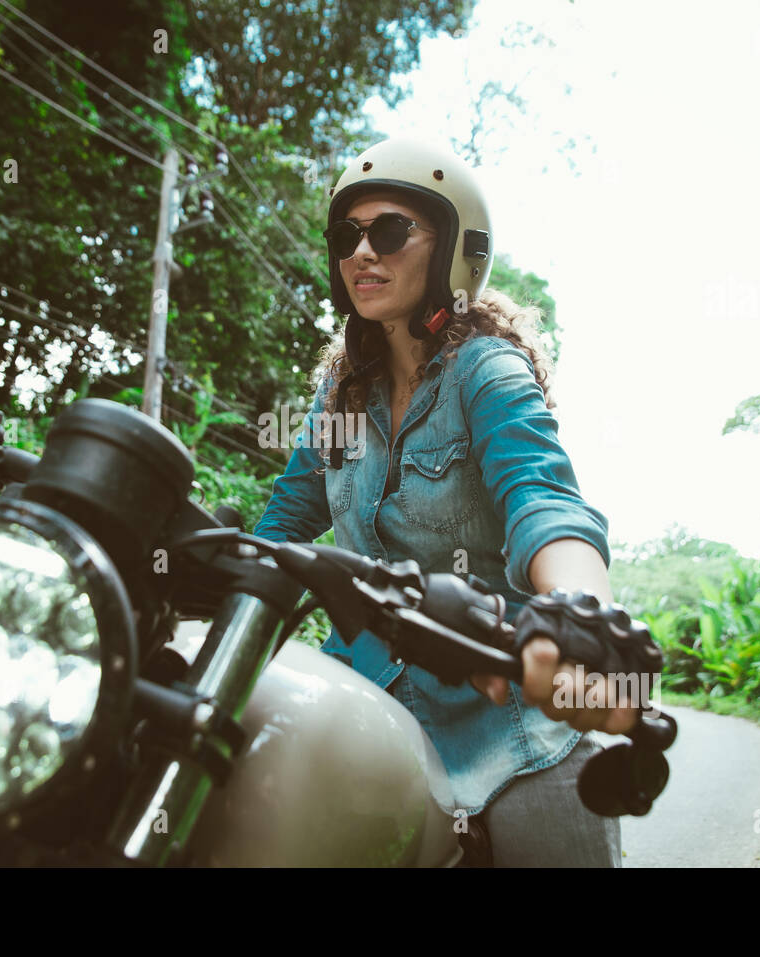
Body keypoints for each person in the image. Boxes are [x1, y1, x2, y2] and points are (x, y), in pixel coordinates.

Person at [252, 138, 639, 867]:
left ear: (453, 249)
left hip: (506, 723)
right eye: (347, 235)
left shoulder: (486, 372)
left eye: (390, 230)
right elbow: (281, 530)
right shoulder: (339, 399)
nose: (363, 251)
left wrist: (584, 620)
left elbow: (544, 499)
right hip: (362, 716)